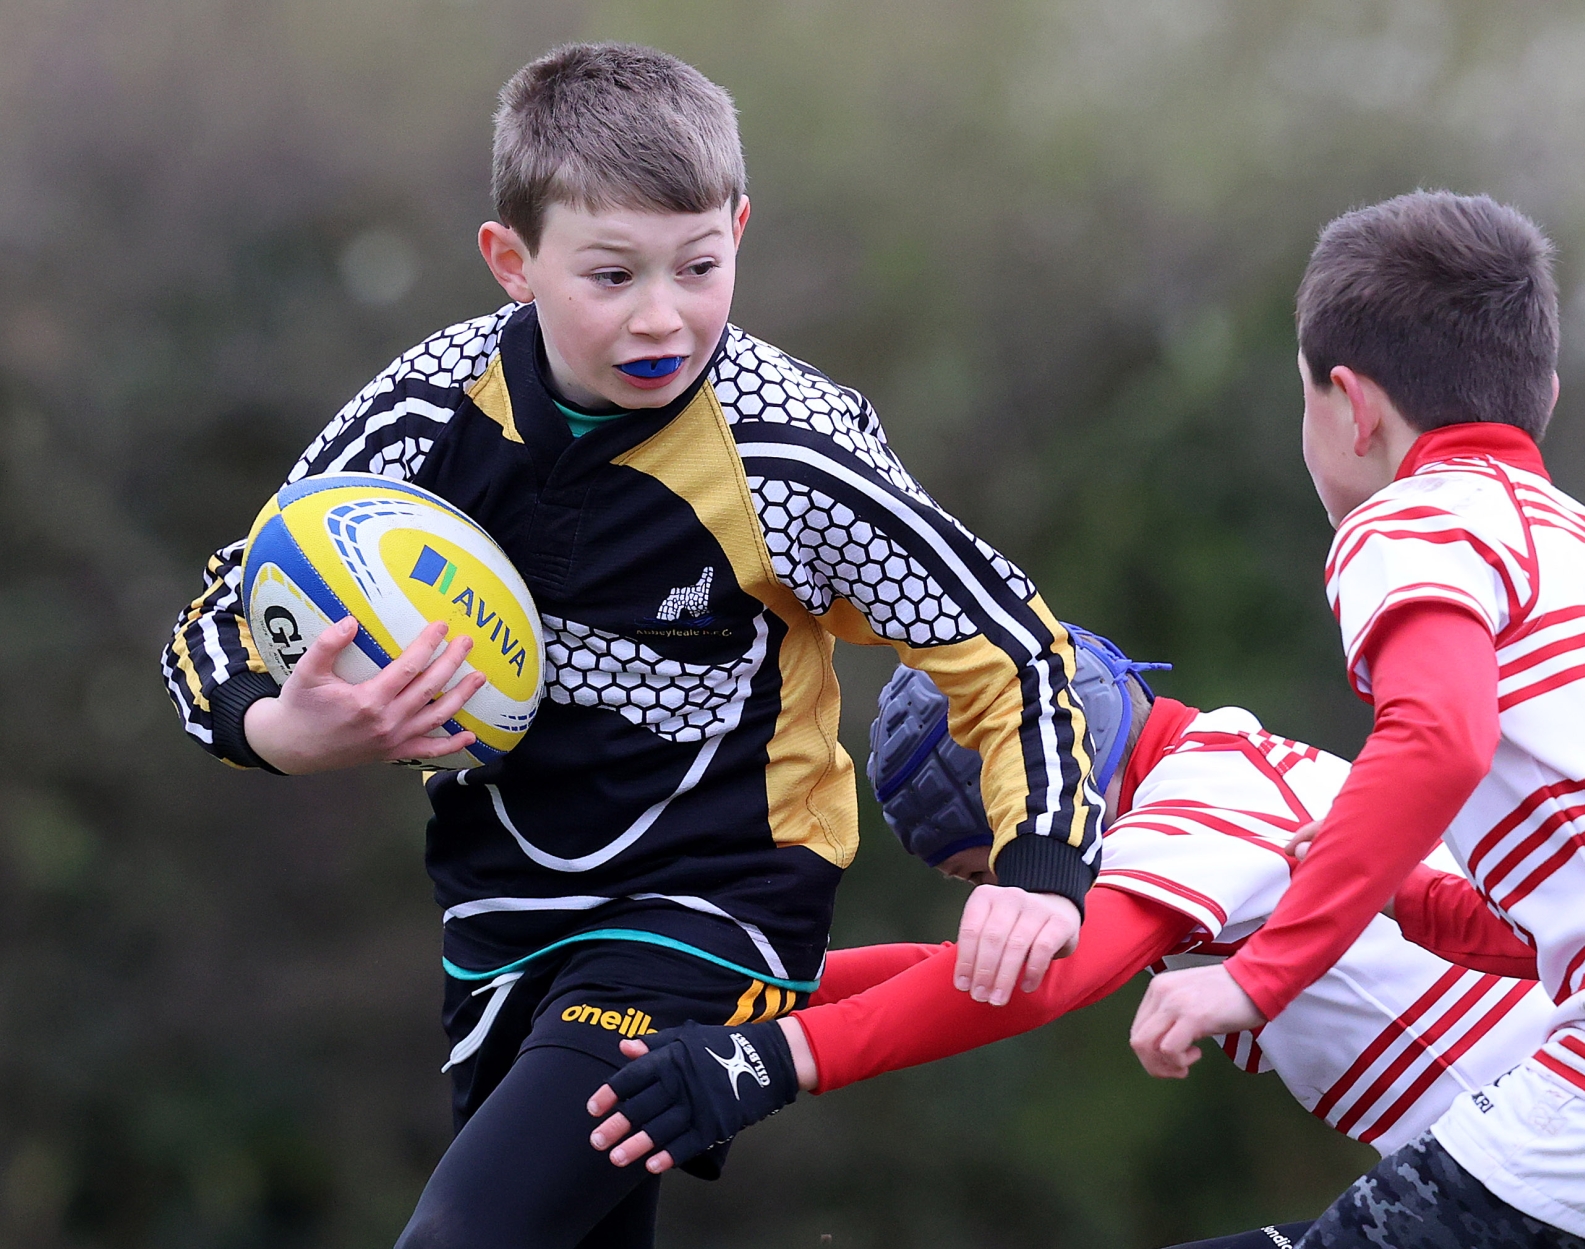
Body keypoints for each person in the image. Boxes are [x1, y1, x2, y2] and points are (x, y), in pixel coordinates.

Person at [158, 42, 1102, 1249]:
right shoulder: (425, 414)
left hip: (717, 907)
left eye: (700, 266)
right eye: (611, 274)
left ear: (739, 232)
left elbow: (1006, 640)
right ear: (513, 263)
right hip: (498, 914)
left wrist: (1041, 860)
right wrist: (282, 730)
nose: (664, 314)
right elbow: (214, 619)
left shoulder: (790, 455)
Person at [1126, 192, 1585, 1249]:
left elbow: (1438, 737)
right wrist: (1405, 896)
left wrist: (1260, 972)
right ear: (1549, 395)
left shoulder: (1408, 519)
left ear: (1351, 405)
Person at [583, 625, 1556, 1249]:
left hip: (1544, 1171)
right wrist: (758, 985)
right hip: (1520, 1168)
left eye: (989, 876)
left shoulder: (1195, 808)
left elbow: (1044, 981)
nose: (1016, 905)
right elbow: (976, 970)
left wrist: (767, 1060)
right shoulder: (1210, 765)